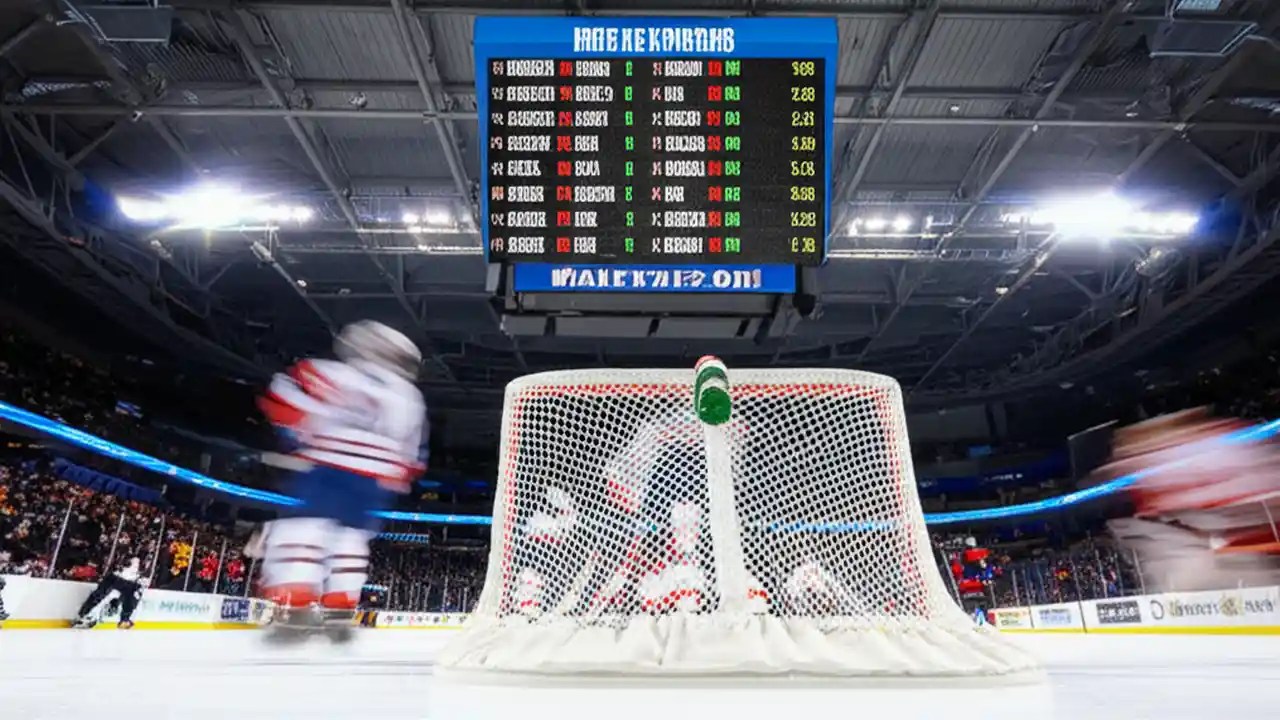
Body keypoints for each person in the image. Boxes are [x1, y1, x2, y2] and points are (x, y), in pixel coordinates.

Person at [257, 320, 427, 642]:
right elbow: (412, 454)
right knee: (351, 540)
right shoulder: (410, 397)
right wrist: (396, 475)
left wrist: (299, 436)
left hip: (331, 468)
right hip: (374, 481)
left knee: (301, 531)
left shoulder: (333, 372)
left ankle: (296, 610)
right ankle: (339, 612)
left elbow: (281, 399)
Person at [72, 557, 144, 629]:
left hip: (128, 581)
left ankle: (124, 619)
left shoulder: (135, 580)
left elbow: (131, 602)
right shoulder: (119, 574)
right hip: (119, 578)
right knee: (101, 595)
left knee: (127, 600)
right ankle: (86, 615)